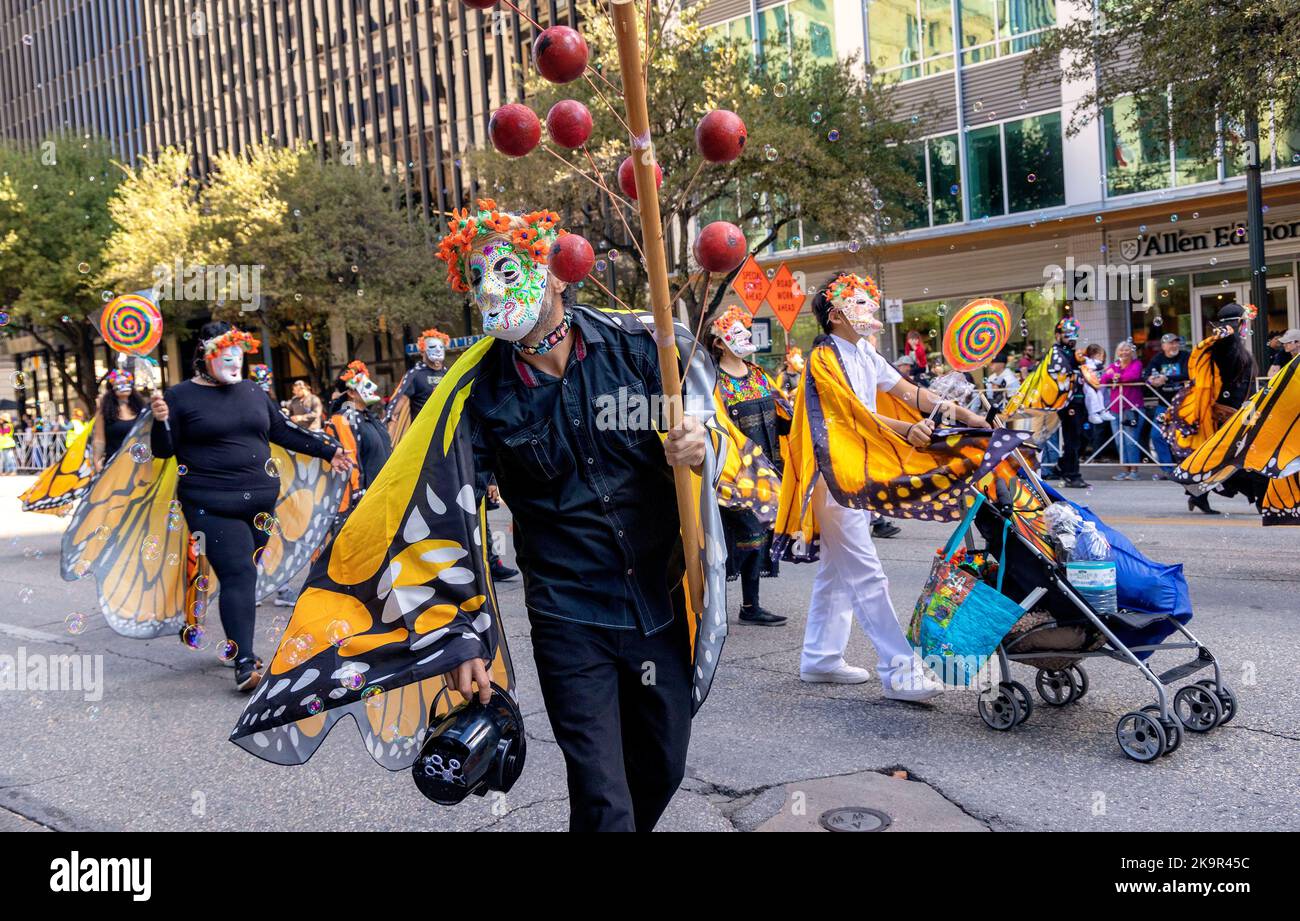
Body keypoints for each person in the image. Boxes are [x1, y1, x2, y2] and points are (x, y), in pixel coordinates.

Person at [774, 273, 989, 698]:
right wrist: (904, 431)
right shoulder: (823, 359)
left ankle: (820, 658)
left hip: (858, 471)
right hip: (833, 476)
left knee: (837, 573)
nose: (869, 310)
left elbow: (909, 393)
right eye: (859, 303)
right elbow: (847, 415)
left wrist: (962, 414)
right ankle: (900, 672)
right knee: (868, 574)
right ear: (836, 315)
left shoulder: (864, 352)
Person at [150, 321, 351, 691]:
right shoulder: (178, 397)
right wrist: (160, 422)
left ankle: (236, 642)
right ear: (205, 357)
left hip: (259, 503)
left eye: (239, 355)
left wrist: (330, 451)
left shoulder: (253, 392)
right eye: (226, 355)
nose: (234, 362)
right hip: (210, 503)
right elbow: (163, 450)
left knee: (244, 574)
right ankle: (245, 661)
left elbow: (284, 431)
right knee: (240, 572)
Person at [708, 305, 789, 626]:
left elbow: (784, 413)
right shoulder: (715, 381)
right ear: (719, 342)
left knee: (757, 538)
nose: (744, 336)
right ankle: (734, 607)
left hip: (768, 467)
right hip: (736, 471)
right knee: (748, 535)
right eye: (735, 331)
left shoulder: (758, 374)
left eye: (745, 329)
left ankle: (748, 605)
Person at [1165, 303, 1257, 514]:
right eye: (1243, 323)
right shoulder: (1225, 348)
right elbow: (1220, 347)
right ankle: (1261, 498)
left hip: (1239, 412)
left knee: (1224, 459)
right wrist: (1226, 332)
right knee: (1234, 458)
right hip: (1225, 414)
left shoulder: (1237, 350)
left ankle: (1198, 495)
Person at [387, 327, 450, 445]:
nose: (437, 350)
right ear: (422, 351)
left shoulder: (448, 374)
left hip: (446, 432)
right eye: (432, 347)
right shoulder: (415, 374)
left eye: (441, 347)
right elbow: (401, 397)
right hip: (423, 434)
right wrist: (390, 414)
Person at [1048, 318, 1089, 489]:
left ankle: (1062, 466)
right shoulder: (1056, 352)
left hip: (1079, 399)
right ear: (1058, 335)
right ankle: (1072, 475)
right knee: (1073, 438)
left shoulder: (1073, 353)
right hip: (1067, 402)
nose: (1071, 337)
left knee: (1084, 437)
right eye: (1067, 334)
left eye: (1074, 334)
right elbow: (1061, 372)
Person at [1145, 333, 1191, 479]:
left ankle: (1187, 467)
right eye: (1170, 343)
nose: (1174, 346)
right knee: (1156, 435)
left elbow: (1188, 374)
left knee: (1185, 435)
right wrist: (1151, 379)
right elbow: (1146, 374)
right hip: (1163, 405)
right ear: (1163, 346)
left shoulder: (1185, 356)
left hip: (1184, 404)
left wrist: (1166, 378)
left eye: (1176, 343)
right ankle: (1168, 469)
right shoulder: (1158, 359)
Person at [1100, 341, 1145, 480]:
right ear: (1117, 353)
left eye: (1127, 350)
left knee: (1131, 440)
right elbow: (1103, 379)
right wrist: (1112, 375)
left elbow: (1133, 376)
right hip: (1115, 408)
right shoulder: (1114, 365)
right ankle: (1124, 470)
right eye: (1121, 350)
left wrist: (1116, 376)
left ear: (1132, 352)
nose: (1124, 352)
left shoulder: (1136, 364)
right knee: (1120, 441)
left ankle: (1134, 471)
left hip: (1132, 407)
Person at [92, 369, 146, 471]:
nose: (124, 385)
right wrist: (97, 462)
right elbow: (99, 439)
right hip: (114, 466)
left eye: (127, 382)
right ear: (112, 388)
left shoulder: (142, 409)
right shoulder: (104, 411)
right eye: (120, 383)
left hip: (139, 466)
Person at [1081, 344, 1112, 426]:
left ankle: (1102, 411)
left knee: (1100, 396)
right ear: (1093, 354)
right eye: (1099, 355)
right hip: (1088, 384)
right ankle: (1092, 414)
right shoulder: (1088, 361)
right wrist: (1105, 369)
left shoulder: (1097, 363)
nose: (1101, 358)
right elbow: (1095, 366)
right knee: (1092, 396)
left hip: (1095, 384)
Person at [983, 350, 1021, 414]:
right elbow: (989, 396)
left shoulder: (1010, 378)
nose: (990, 365)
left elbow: (1014, 399)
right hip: (993, 410)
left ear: (1002, 364)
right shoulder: (991, 377)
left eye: (993, 363)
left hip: (1007, 411)